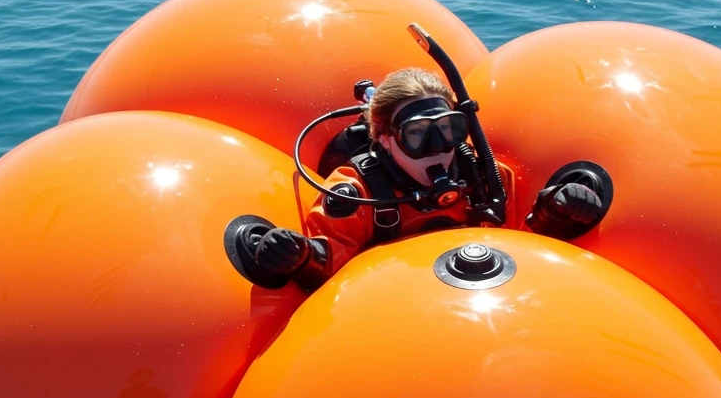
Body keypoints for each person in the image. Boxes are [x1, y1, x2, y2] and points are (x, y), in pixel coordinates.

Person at [251, 68, 605, 289]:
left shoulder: (486, 179)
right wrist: (297, 256)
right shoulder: (356, 195)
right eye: (418, 135)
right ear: (385, 138)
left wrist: (555, 214)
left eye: (449, 130)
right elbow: (329, 259)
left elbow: (520, 248)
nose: (439, 148)